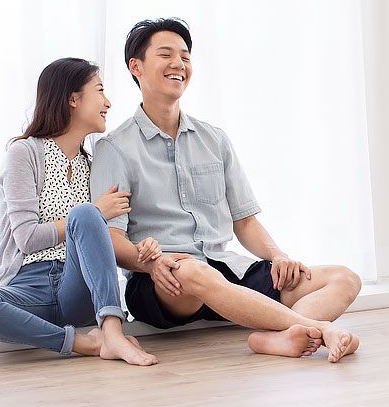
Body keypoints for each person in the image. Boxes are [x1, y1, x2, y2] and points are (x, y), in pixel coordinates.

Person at [91, 18, 362, 362]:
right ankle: (317, 327)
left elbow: (244, 221)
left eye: (185, 56)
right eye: (166, 54)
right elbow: (112, 237)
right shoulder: (115, 148)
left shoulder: (214, 139)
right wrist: (151, 264)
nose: (179, 64)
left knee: (344, 278)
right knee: (192, 269)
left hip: (228, 272)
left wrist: (278, 256)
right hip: (164, 281)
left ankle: (278, 337)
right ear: (136, 67)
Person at [0, 58, 160, 366]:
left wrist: (143, 247)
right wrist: (95, 210)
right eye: (100, 91)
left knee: (86, 215)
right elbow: (26, 238)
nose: (108, 102)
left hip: (78, 287)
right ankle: (86, 344)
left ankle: (112, 331)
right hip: (29, 288)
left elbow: (105, 238)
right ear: (73, 99)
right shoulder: (24, 153)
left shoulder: (95, 165)